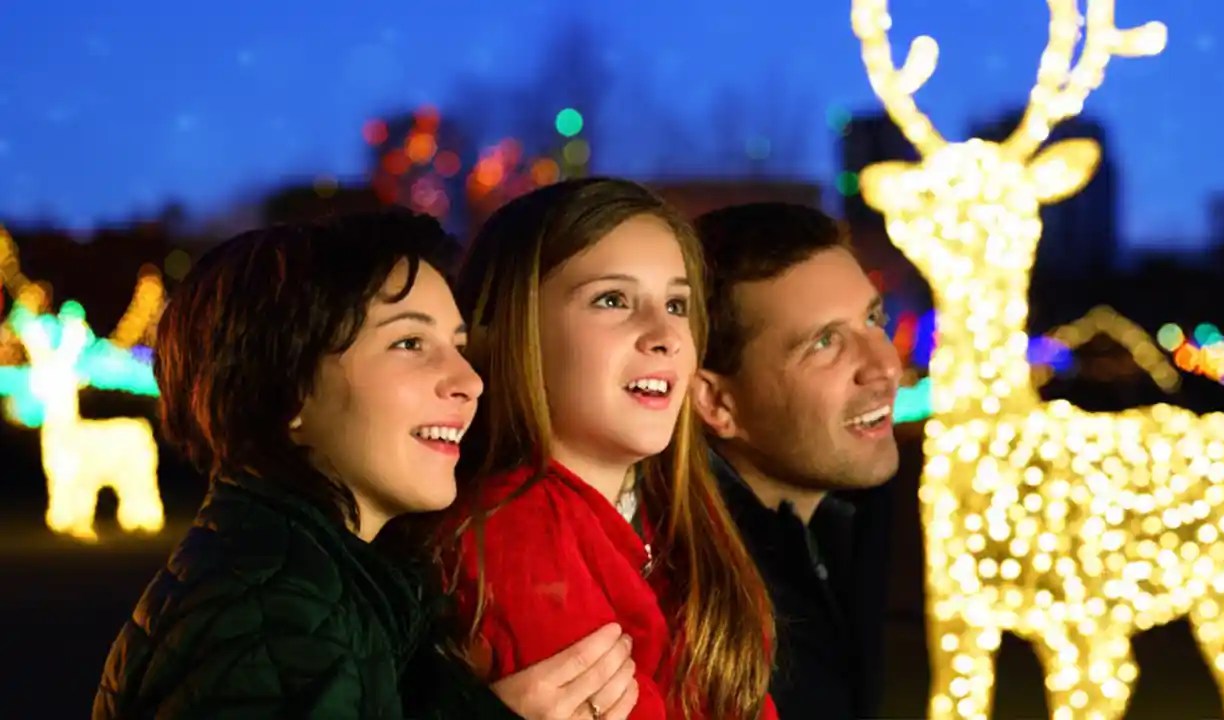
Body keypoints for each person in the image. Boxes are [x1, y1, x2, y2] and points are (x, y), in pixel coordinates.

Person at [93, 210, 638, 720]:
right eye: (409, 342)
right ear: (287, 395)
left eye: (458, 347)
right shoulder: (268, 621)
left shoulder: (344, 589)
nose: (470, 383)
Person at [441, 178, 777, 719]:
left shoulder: (676, 525)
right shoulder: (514, 532)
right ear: (513, 329)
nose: (663, 333)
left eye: (676, 304)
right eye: (613, 300)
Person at [689, 203, 904, 719]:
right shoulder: (700, 612)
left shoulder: (848, 526)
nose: (884, 367)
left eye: (873, 319)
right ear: (717, 403)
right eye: (825, 342)